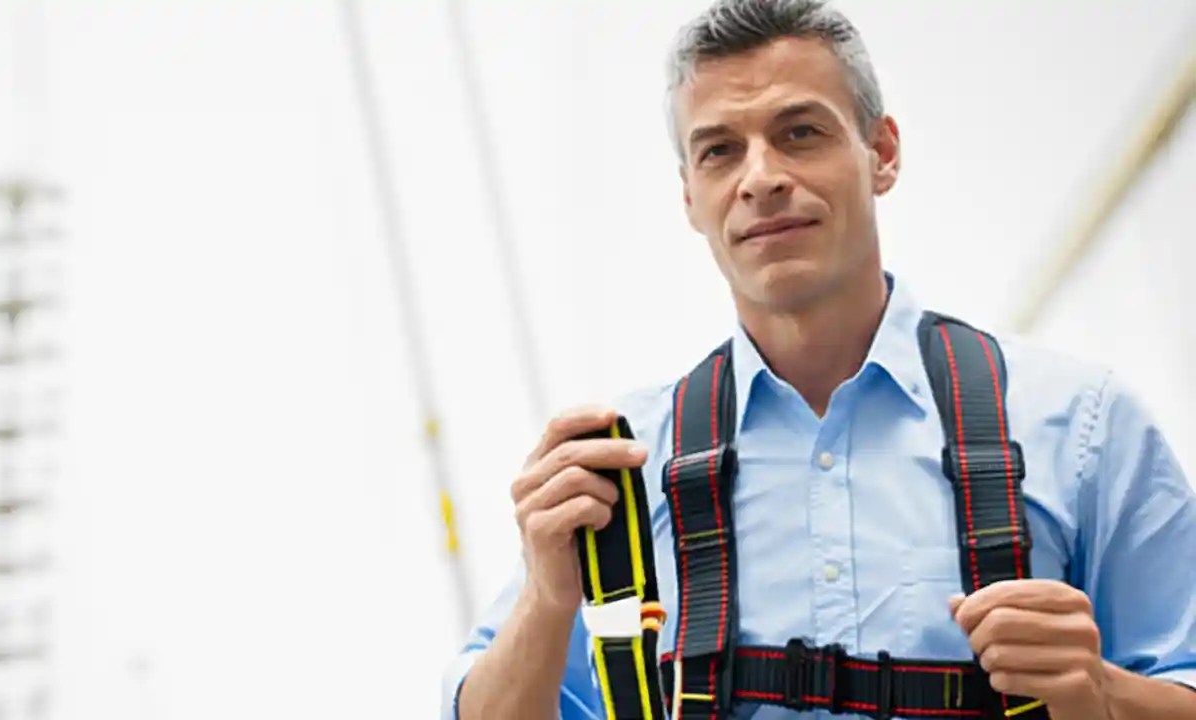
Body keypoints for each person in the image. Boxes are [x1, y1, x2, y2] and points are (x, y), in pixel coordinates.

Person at [440, 1, 1196, 718]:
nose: (760, 177)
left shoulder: (1082, 428)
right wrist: (547, 598)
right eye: (719, 150)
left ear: (883, 154)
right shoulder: (621, 475)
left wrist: (1100, 693)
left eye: (799, 132)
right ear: (690, 197)